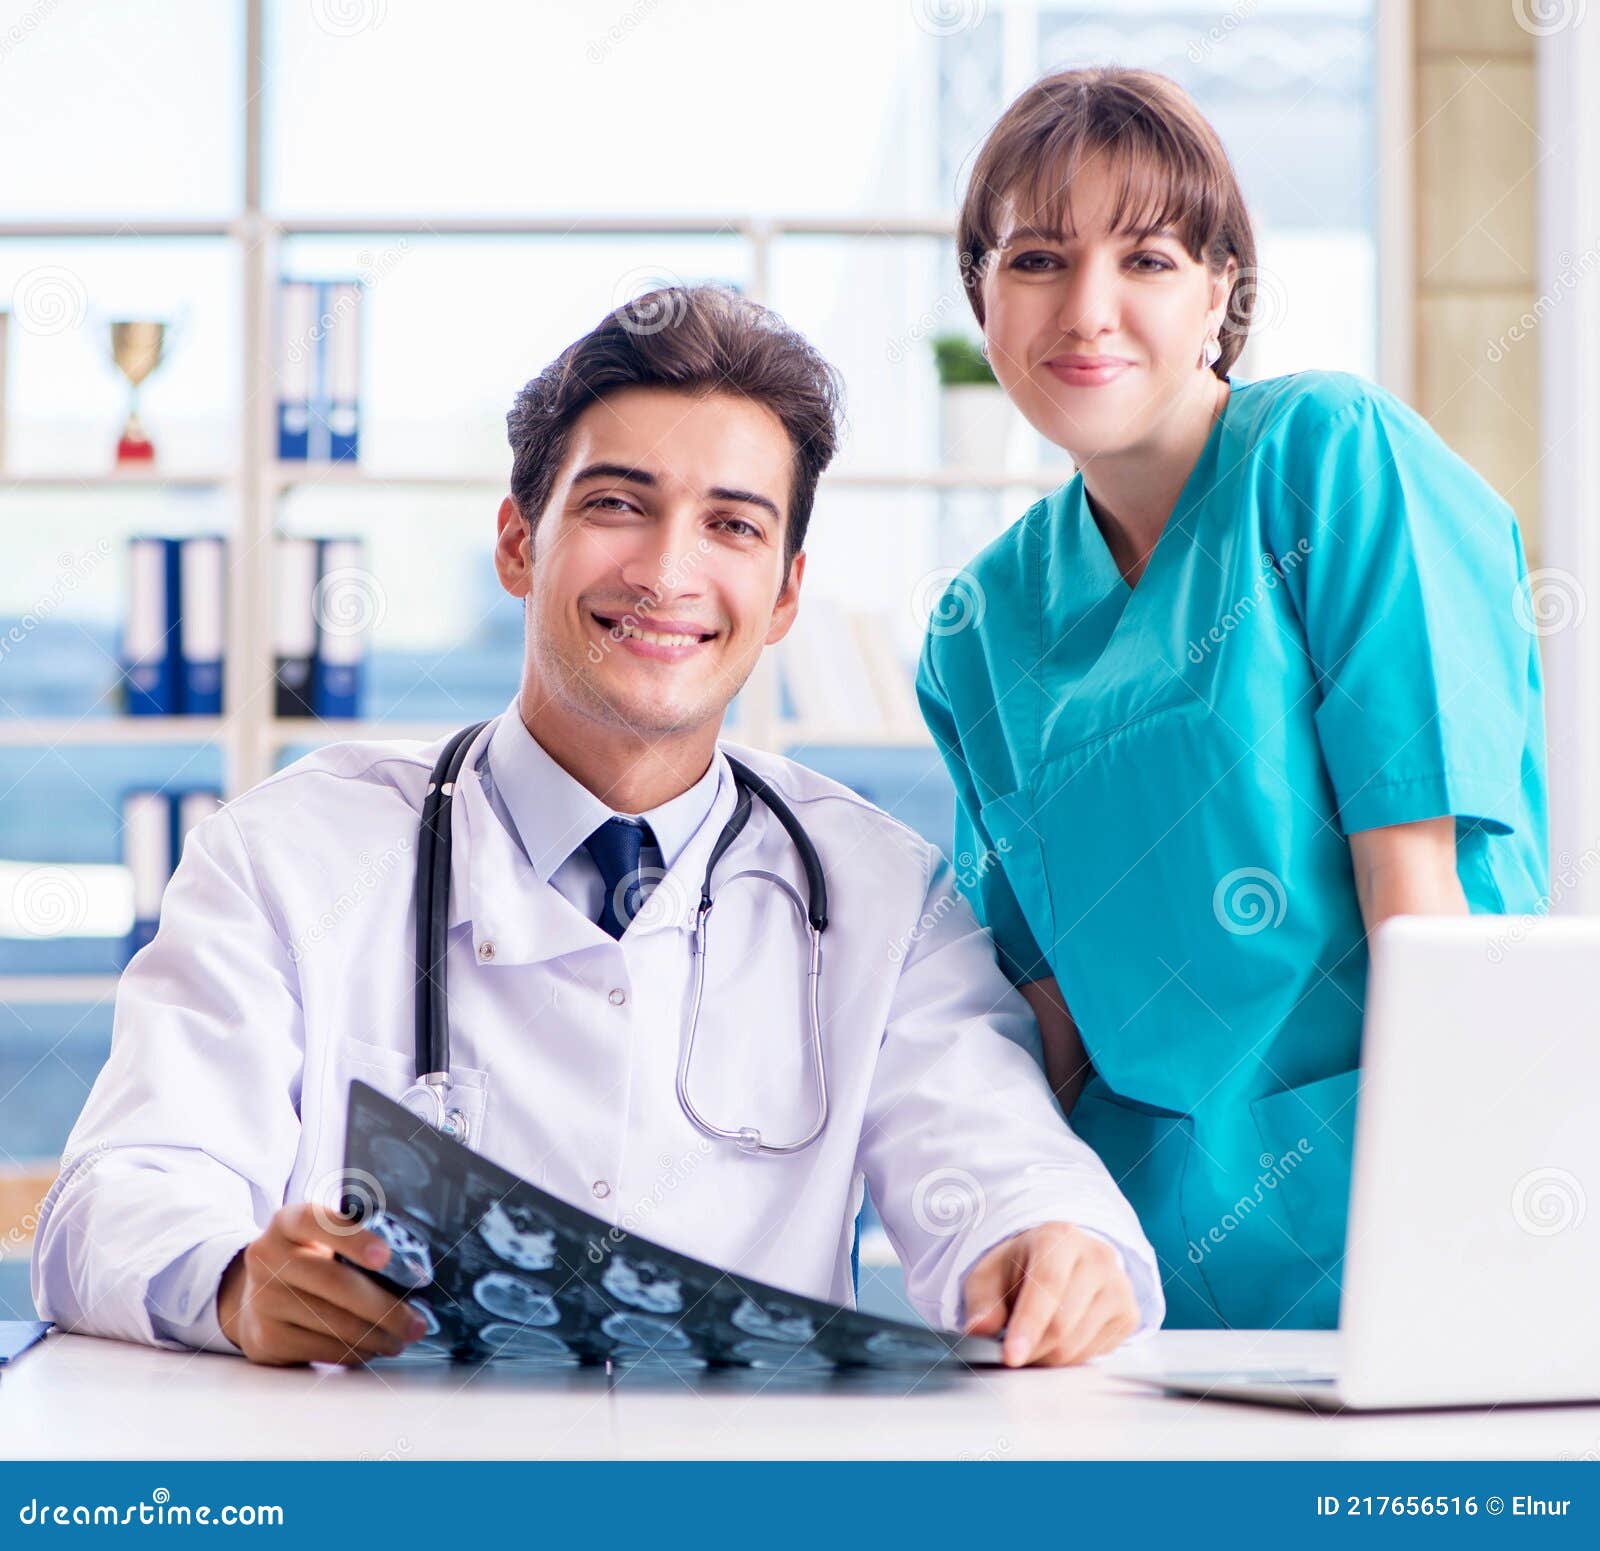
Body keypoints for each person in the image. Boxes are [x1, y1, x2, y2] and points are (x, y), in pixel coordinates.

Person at [34, 285, 1160, 1369]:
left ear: (782, 596)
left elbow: (1004, 1168)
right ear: (520, 542)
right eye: (618, 505)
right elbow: (120, 1190)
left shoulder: (879, 899)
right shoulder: (290, 856)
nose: (669, 571)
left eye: (731, 525)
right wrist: (230, 1281)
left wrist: (1048, 1250)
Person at [917, 67, 1549, 1329]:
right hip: (1135, 1272)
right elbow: (1044, 1018)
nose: (1085, 311)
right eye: (1036, 258)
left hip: (1408, 1219)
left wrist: (1466, 1259)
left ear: (1220, 292)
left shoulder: (1329, 459)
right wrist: (1020, 1239)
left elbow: (1421, 895)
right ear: (980, 299)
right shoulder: (977, 626)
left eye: (1145, 259)